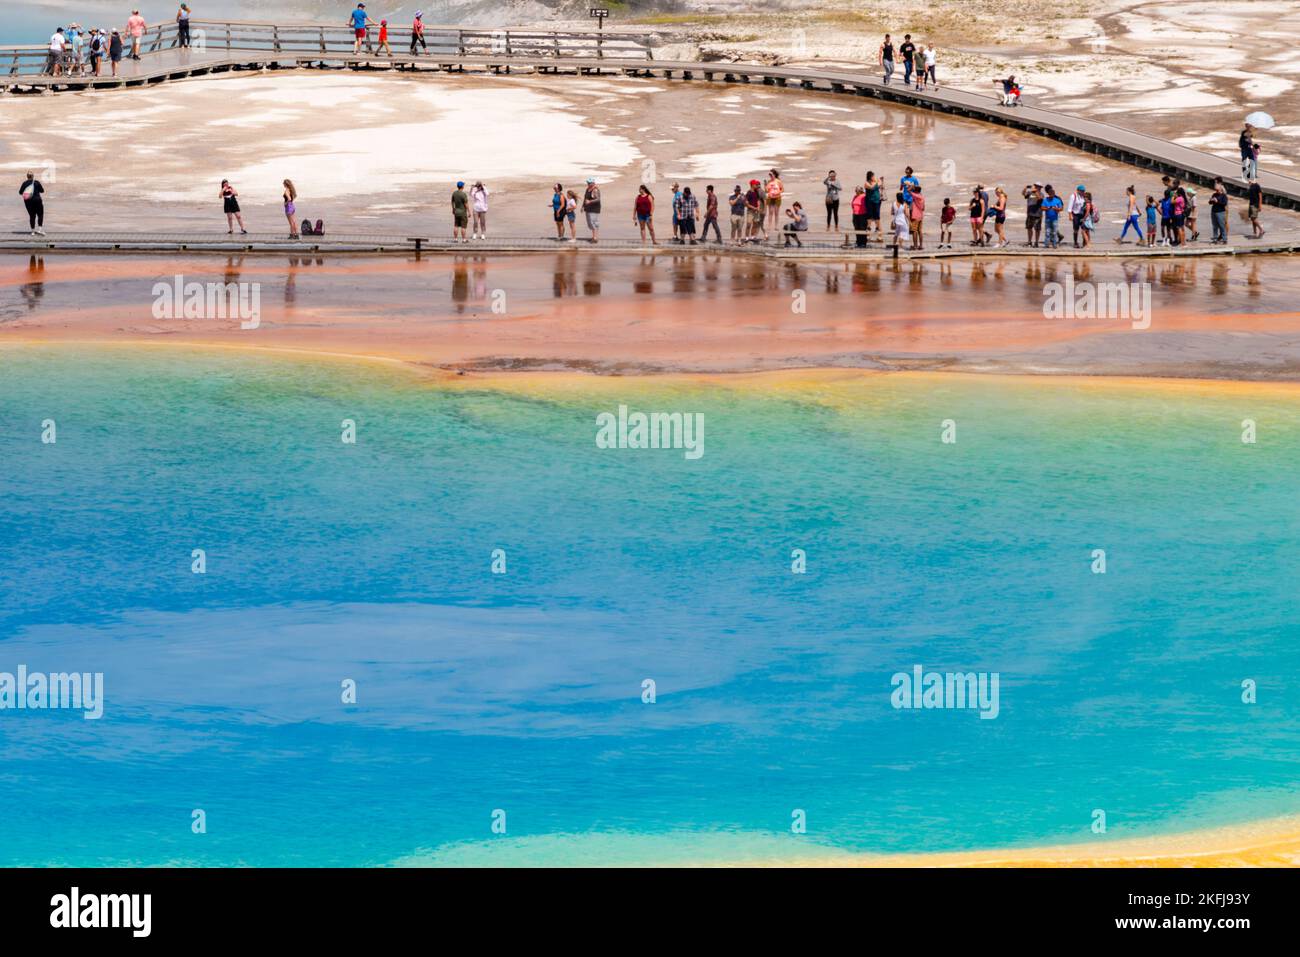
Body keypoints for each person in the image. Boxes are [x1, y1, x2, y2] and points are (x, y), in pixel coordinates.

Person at [744, 179, 765, 243]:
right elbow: (746, 204)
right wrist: (754, 208)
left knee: (755, 224)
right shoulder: (748, 193)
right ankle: (747, 238)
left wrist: (758, 206)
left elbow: (758, 200)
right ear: (752, 185)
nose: (757, 185)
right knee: (748, 224)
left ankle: (752, 237)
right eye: (756, 184)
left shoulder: (756, 192)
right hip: (750, 211)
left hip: (756, 210)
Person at [1022, 182, 1043, 247]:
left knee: (1037, 229)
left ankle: (1036, 242)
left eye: (1037, 186)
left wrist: (1035, 191)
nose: (1036, 187)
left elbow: (1039, 198)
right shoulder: (1030, 193)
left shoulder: (1041, 194)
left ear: (1040, 187)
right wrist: (1025, 187)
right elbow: (1023, 194)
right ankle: (1029, 242)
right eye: (1035, 186)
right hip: (1030, 214)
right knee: (1029, 228)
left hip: (1037, 214)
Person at [582, 177, 601, 243]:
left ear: (593, 183)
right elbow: (585, 198)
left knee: (593, 222)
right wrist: (583, 206)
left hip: (594, 209)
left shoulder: (595, 190)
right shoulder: (587, 189)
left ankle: (595, 238)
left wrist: (590, 201)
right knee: (590, 223)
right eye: (588, 182)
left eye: (589, 183)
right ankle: (594, 237)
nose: (588, 184)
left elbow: (598, 199)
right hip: (588, 208)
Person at [764, 170, 784, 234]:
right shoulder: (769, 181)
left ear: (774, 175)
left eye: (771, 175)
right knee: (770, 212)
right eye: (769, 175)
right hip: (770, 198)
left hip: (777, 197)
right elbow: (766, 191)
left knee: (776, 212)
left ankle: (776, 226)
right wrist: (765, 185)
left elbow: (782, 189)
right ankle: (769, 226)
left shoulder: (778, 181)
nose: (770, 176)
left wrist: (778, 192)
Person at [864, 170, 881, 241]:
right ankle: (868, 232)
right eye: (873, 176)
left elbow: (880, 184)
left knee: (877, 216)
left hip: (877, 201)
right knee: (869, 216)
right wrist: (877, 182)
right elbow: (871, 187)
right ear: (870, 177)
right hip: (869, 201)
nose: (874, 177)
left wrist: (878, 182)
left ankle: (878, 230)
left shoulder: (876, 181)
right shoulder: (866, 183)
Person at [908, 184, 926, 249]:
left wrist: (911, 187)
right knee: (920, 231)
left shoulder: (916, 196)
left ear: (915, 191)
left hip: (915, 216)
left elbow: (908, 191)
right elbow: (923, 208)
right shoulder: (922, 197)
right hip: (920, 216)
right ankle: (921, 246)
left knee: (914, 231)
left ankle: (915, 246)